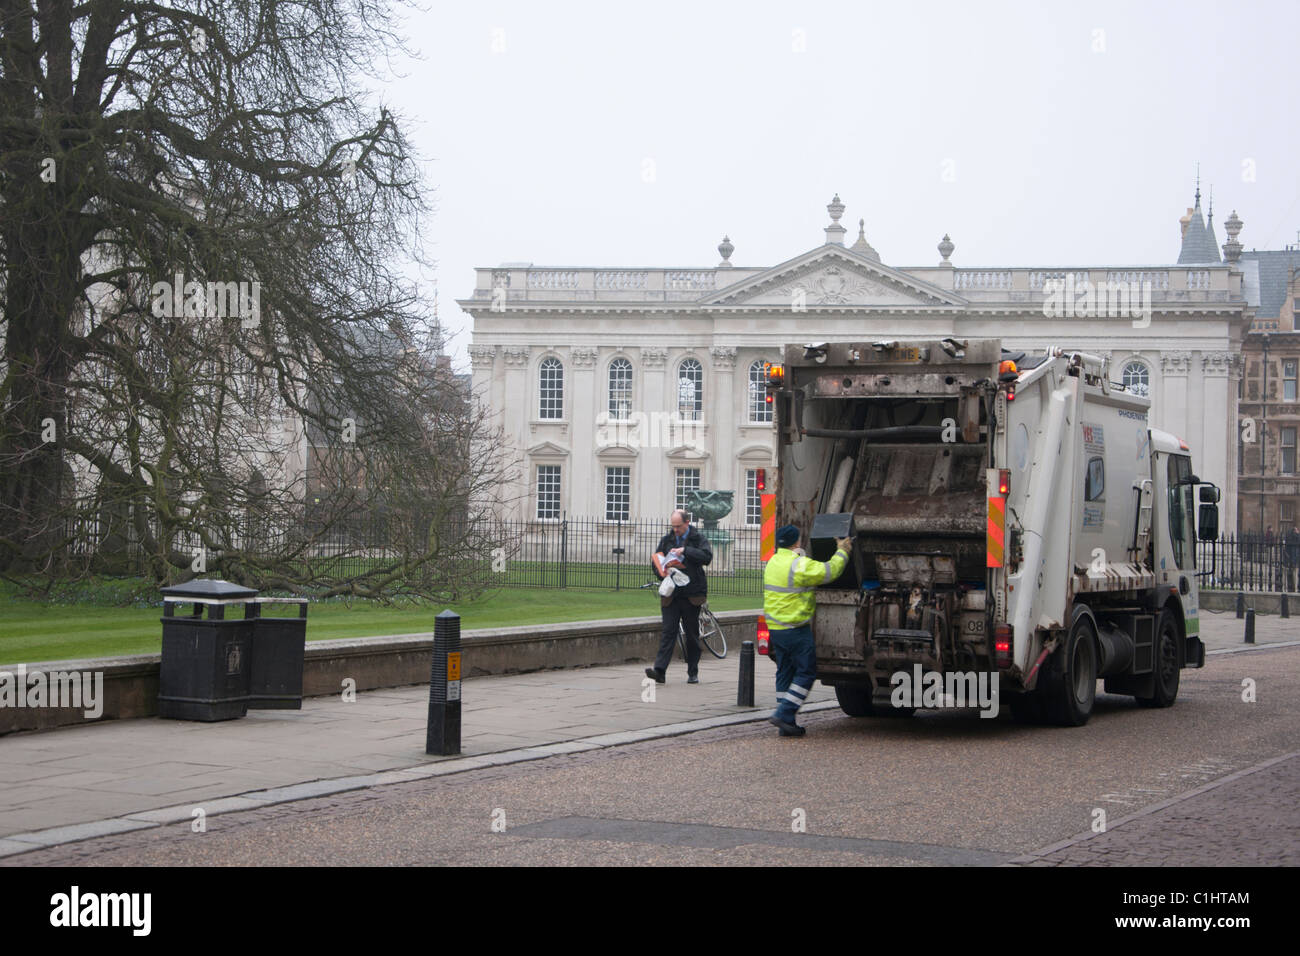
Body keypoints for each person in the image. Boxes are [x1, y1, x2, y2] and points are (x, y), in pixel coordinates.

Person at [763, 524, 851, 736]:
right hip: (795, 628)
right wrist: (843, 550)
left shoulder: (772, 562)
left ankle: (787, 723)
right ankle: (784, 713)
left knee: (785, 671)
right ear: (796, 542)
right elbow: (829, 572)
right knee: (807, 672)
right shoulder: (798, 565)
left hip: (776, 627)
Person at [646, 509, 713, 684]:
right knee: (668, 632)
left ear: (687, 523)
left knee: (691, 634)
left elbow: (707, 557)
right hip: (671, 594)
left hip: (692, 594)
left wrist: (685, 551)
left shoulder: (698, 539)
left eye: (678, 526)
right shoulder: (666, 540)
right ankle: (659, 671)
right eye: (673, 526)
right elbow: (656, 561)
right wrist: (662, 571)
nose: (675, 530)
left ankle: (693, 671)